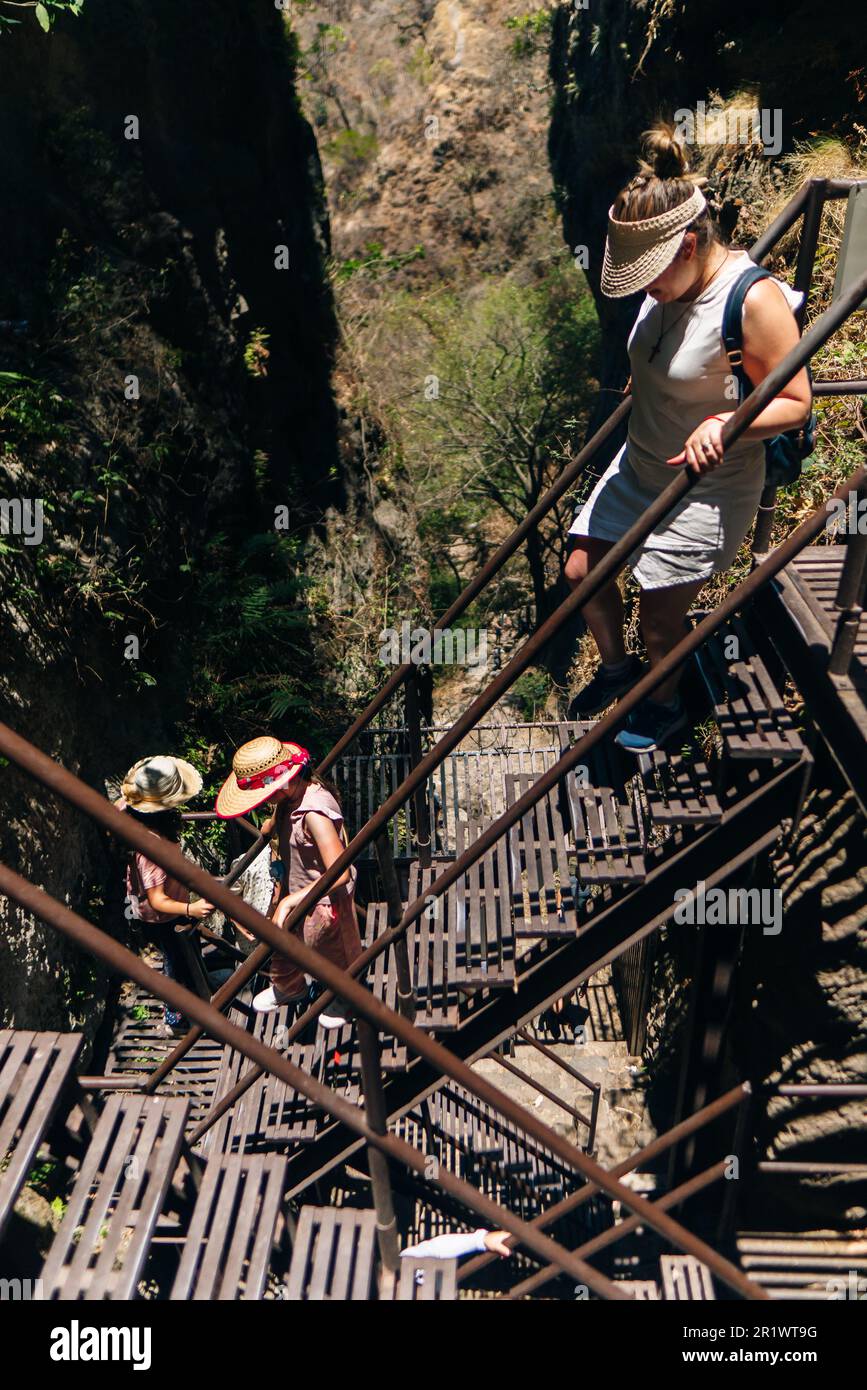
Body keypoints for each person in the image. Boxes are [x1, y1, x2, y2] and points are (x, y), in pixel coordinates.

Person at [566, 123, 811, 753]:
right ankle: (620, 675)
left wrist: (724, 424)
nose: (643, 288)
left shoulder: (752, 301)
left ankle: (666, 705)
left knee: (661, 619)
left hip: (708, 486)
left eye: (649, 274)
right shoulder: (671, 283)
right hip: (641, 465)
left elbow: (795, 402)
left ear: (690, 245)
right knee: (581, 573)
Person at [215, 736, 362, 1029]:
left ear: (282, 784)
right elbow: (277, 824)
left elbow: (341, 872)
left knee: (333, 954)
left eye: (265, 795)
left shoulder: (314, 814)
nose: (265, 801)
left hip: (324, 899)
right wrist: (272, 824)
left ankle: (347, 1000)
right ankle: (289, 987)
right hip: (297, 890)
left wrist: (289, 901)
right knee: (284, 947)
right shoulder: (289, 798)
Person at [117, 755, 214, 1030]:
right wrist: (190, 909)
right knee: (174, 961)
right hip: (161, 915)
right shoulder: (154, 850)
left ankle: (197, 984)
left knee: (182, 952)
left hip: (139, 904)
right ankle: (174, 1013)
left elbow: (116, 807)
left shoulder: (130, 815)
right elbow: (158, 900)